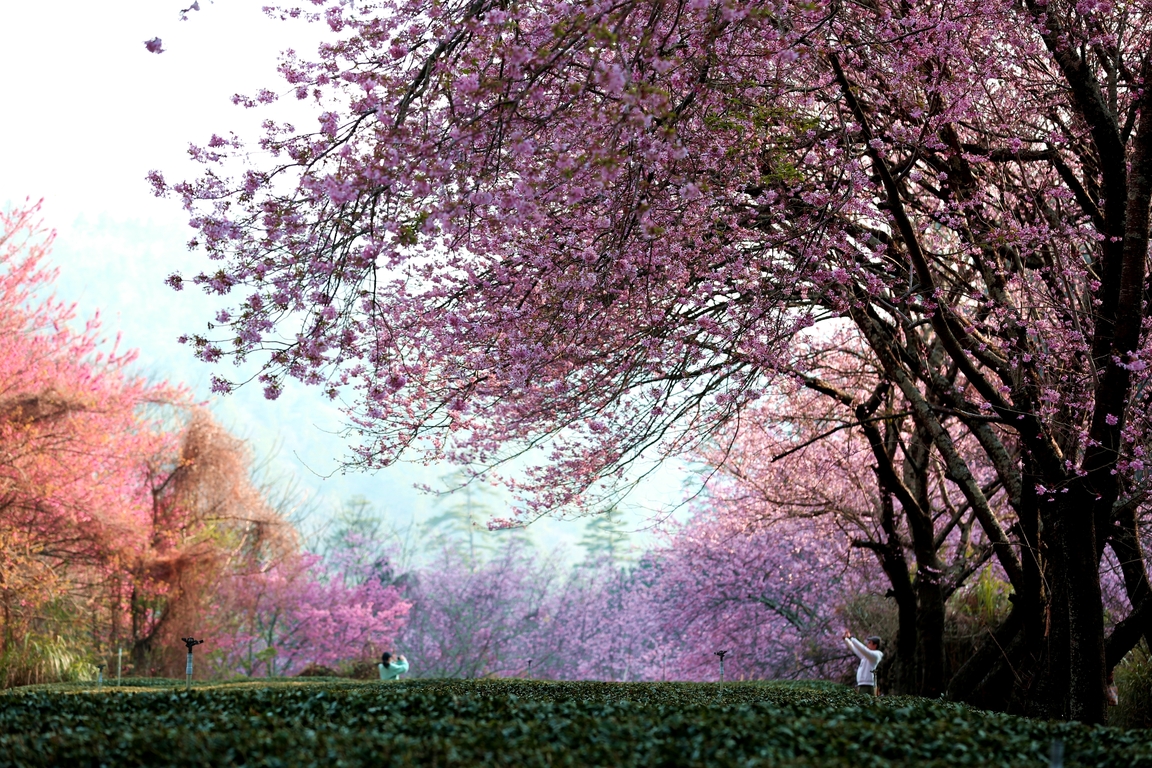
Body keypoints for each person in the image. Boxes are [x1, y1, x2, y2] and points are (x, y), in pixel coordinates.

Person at [843, 630, 883, 696]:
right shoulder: (866, 656)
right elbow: (854, 648)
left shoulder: (877, 655)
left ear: (875, 645)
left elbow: (863, 649)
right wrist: (846, 640)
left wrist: (851, 638)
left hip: (868, 685)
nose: (867, 644)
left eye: (870, 643)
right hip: (862, 684)